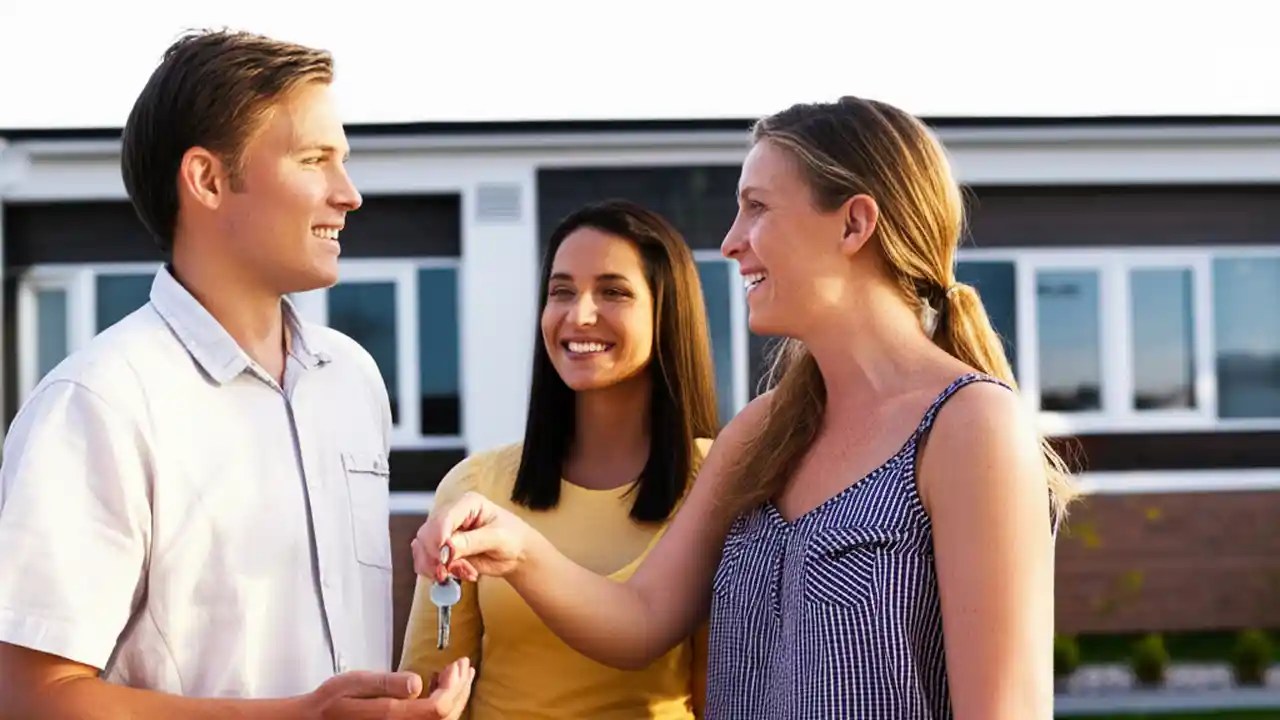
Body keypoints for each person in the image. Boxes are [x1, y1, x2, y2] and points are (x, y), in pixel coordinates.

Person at [413, 96, 1078, 720]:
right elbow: (640, 617)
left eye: (756, 207)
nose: (731, 241)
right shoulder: (760, 433)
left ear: (854, 223)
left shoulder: (970, 429)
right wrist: (514, 545)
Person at [0, 29, 471, 719]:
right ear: (208, 180)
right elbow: (29, 697)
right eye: (314, 159)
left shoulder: (354, 380)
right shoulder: (96, 404)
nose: (350, 194)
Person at [401, 200, 718, 719]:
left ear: (668, 311)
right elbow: (426, 687)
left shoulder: (715, 479)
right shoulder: (476, 485)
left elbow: (725, 694)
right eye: (561, 291)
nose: (579, 314)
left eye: (613, 291)